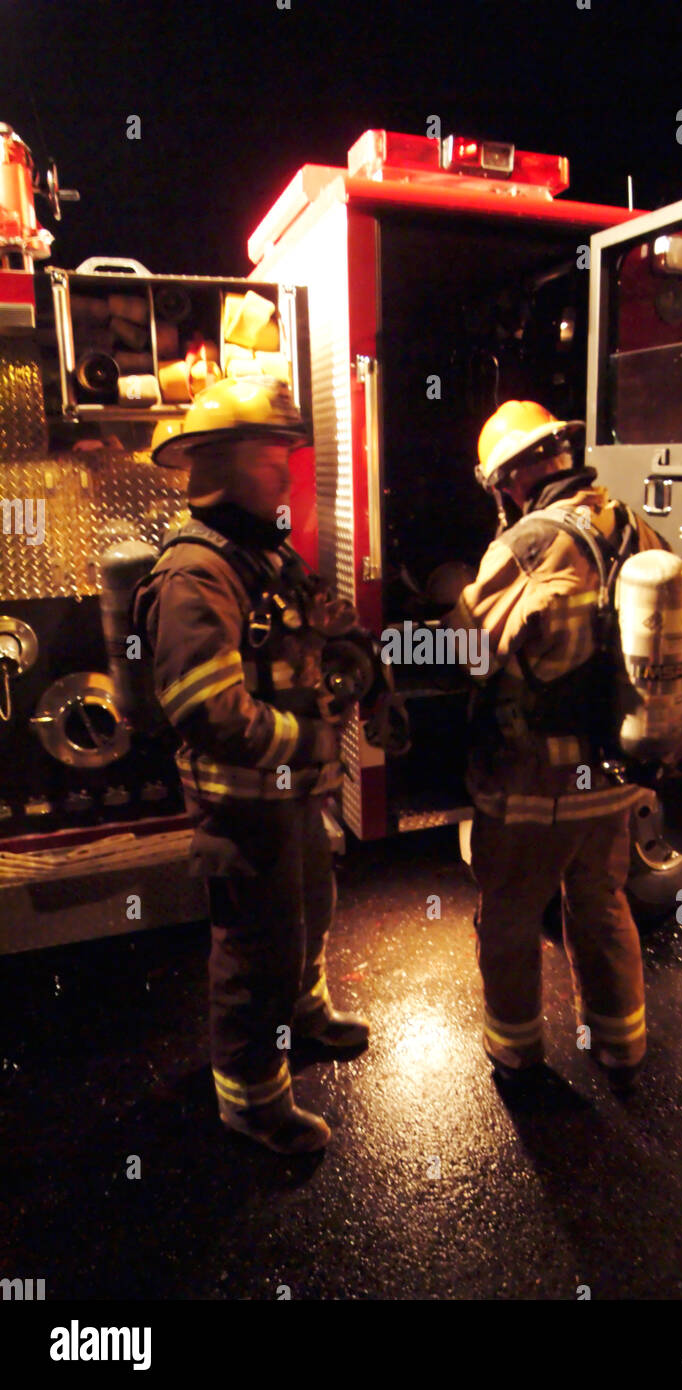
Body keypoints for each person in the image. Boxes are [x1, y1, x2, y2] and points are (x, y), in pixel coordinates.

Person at [444, 400, 682, 1096]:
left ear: (509, 478)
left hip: (536, 785)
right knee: (600, 902)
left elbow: (469, 650)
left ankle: (516, 1056)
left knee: (508, 916)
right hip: (615, 775)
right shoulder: (632, 523)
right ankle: (621, 1045)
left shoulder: (532, 543)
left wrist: (447, 602)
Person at [133, 377, 370, 1154]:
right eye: (273, 460)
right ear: (223, 463)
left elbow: (289, 654)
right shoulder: (195, 574)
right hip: (242, 805)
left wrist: (340, 653)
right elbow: (210, 711)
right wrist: (310, 738)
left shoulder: (263, 555)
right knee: (254, 952)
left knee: (310, 911)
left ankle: (304, 1014)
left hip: (291, 797)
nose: (286, 475)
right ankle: (253, 1102)